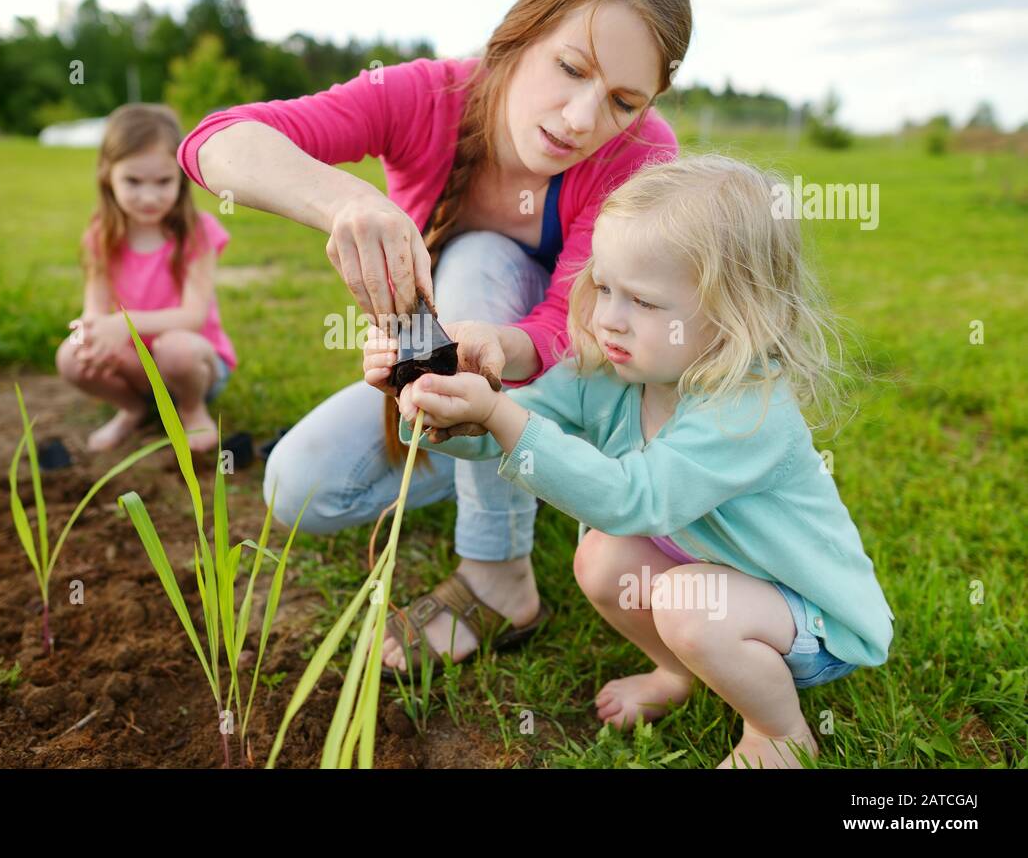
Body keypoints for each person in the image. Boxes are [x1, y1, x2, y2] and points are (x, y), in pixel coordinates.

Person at [178, 0, 693, 670]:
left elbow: (569, 326)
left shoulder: (642, 153)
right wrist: (346, 199)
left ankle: (498, 574)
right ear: (521, 33)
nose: (581, 118)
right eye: (571, 68)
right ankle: (512, 465)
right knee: (301, 490)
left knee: (480, 255)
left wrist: (495, 351)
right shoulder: (425, 95)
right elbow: (213, 140)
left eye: (621, 100)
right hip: (464, 374)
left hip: (583, 393)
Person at [372, 154, 895, 768]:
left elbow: (632, 498)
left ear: (736, 318)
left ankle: (778, 732)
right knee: (602, 558)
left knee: (684, 601)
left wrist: (500, 413)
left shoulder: (746, 412)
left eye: (643, 302)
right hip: (709, 579)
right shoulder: (617, 373)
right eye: (604, 287)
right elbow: (501, 433)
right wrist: (442, 410)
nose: (608, 318)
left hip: (806, 616)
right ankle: (677, 672)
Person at [57, 103, 237, 453]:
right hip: (135, 367)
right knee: (71, 354)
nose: (150, 196)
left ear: (181, 176)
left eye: (163, 181)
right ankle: (133, 409)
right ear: (108, 175)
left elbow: (193, 317)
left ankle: (191, 409)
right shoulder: (100, 236)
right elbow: (93, 309)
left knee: (174, 347)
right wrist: (90, 330)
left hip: (195, 366)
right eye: (134, 181)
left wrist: (124, 324)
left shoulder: (197, 233)